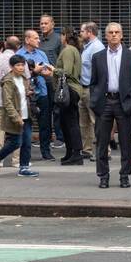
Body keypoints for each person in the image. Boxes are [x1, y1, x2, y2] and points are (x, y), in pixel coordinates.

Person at [89, 22, 131, 189]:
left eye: (117, 32)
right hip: (104, 102)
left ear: (122, 34)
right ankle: (103, 176)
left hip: (124, 102)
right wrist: (95, 100)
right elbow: (93, 82)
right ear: (106, 35)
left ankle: (124, 176)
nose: (114, 35)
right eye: (111, 32)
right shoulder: (98, 56)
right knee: (102, 142)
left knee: (126, 142)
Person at [0, 54, 40, 178]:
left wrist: (28, 93)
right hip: (15, 117)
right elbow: (7, 102)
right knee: (15, 143)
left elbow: (21, 95)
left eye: (23, 65)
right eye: (18, 65)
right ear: (11, 67)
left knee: (27, 142)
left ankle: (24, 168)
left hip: (26, 114)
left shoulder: (23, 79)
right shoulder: (8, 81)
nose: (21, 67)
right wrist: (16, 117)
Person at [19, 30, 55, 162]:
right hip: (26, 95)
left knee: (45, 124)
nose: (39, 40)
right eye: (35, 38)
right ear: (27, 40)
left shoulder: (42, 54)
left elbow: (48, 71)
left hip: (42, 92)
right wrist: (34, 71)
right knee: (26, 124)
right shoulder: (19, 55)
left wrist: (45, 71)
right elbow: (18, 74)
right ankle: (25, 155)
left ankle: (46, 151)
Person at [0, 35, 20, 168]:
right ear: (18, 47)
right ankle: (16, 160)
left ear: (5, 45)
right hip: (15, 101)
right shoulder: (19, 61)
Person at [55, 29, 85, 165]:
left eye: (61, 35)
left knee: (71, 123)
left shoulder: (68, 50)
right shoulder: (74, 50)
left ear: (64, 37)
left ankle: (76, 153)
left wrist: (52, 70)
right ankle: (70, 152)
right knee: (66, 122)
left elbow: (66, 71)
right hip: (73, 89)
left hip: (70, 90)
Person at [77, 22, 103, 158]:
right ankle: (87, 149)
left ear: (89, 32)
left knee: (95, 121)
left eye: (82, 31)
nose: (80, 34)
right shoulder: (87, 47)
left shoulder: (97, 47)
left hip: (92, 89)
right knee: (84, 122)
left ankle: (100, 151)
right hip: (83, 88)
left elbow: (101, 70)